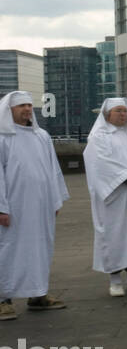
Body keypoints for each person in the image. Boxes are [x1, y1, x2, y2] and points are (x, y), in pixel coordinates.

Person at [0, 91, 69, 319]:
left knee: (40, 249)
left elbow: (53, 170)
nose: (27, 109)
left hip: (40, 207)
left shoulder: (41, 136)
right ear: (9, 110)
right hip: (13, 207)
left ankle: (38, 294)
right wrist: (1, 206)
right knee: (8, 250)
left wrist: (55, 197)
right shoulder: (2, 137)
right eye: (21, 106)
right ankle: (3, 299)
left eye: (29, 105)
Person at [84, 98, 127, 297]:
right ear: (107, 115)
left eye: (125, 111)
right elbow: (100, 164)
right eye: (118, 111)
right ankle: (114, 281)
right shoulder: (98, 137)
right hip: (114, 196)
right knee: (113, 235)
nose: (123, 114)